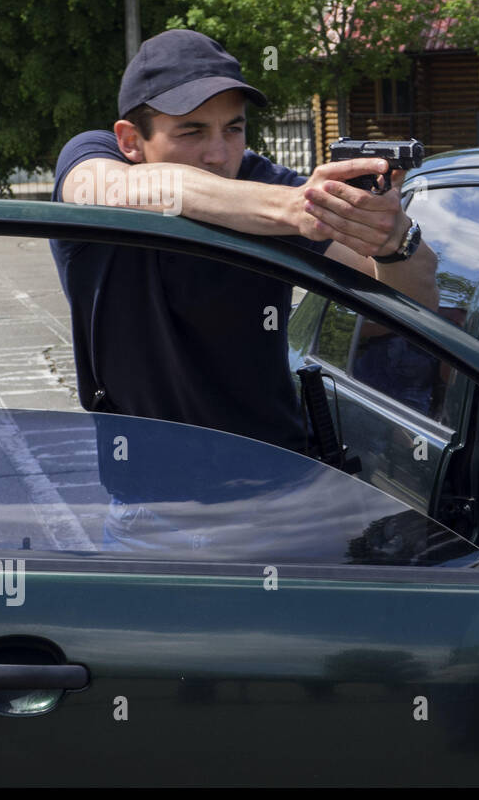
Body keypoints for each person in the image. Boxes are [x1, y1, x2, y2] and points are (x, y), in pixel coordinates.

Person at [50, 29, 439, 549]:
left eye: (233, 128)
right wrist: (291, 210)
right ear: (129, 139)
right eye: (191, 132)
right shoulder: (96, 161)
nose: (219, 152)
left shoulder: (263, 182)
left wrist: (395, 243)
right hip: (152, 521)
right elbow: (110, 188)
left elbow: (406, 307)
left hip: (289, 501)